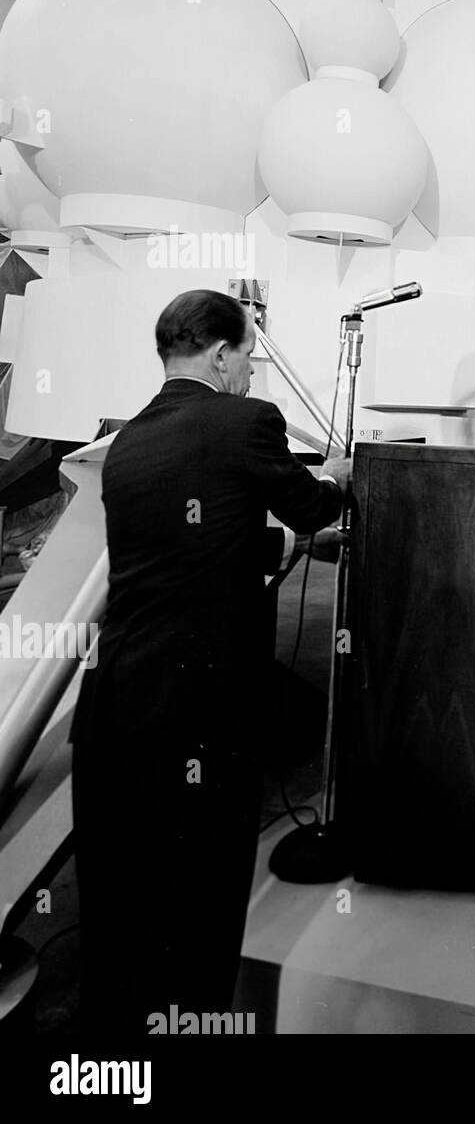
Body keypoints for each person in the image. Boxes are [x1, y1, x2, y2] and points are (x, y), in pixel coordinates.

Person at [72, 290, 351, 1032]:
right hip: (200, 712)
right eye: (249, 360)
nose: (250, 375)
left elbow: (190, 543)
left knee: (121, 907)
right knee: (201, 905)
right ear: (223, 354)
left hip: (116, 706)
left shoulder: (128, 441)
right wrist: (342, 475)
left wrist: (287, 547)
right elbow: (315, 506)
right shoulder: (243, 419)